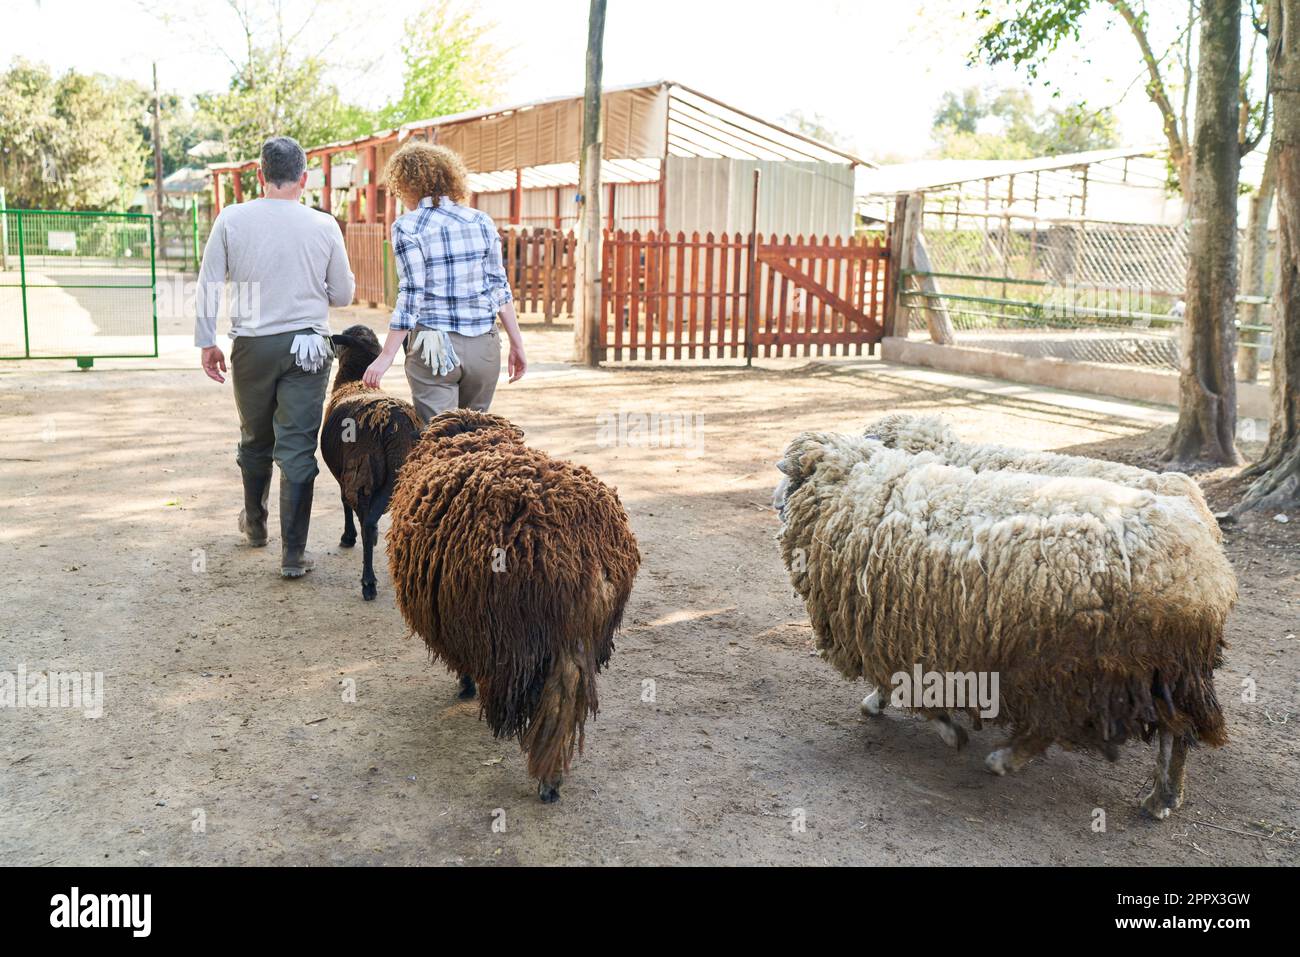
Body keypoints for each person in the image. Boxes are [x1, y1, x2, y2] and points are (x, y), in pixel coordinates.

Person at [196, 136, 355, 578]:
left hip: (252, 345)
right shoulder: (324, 226)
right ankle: (294, 555)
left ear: (260, 175)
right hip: (307, 347)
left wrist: (207, 340)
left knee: (255, 437)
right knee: (297, 447)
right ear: (304, 178)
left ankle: (256, 527)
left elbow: (209, 283)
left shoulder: (232, 218)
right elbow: (341, 294)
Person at [361, 142, 526, 417]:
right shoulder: (481, 221)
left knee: (440, 443)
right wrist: (517, 344)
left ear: (405, 184)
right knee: (477, 437)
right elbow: (500, 288)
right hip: (484, 346)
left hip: (434, 348)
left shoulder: (407, 226)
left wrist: (387, 354)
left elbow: (412, 293)